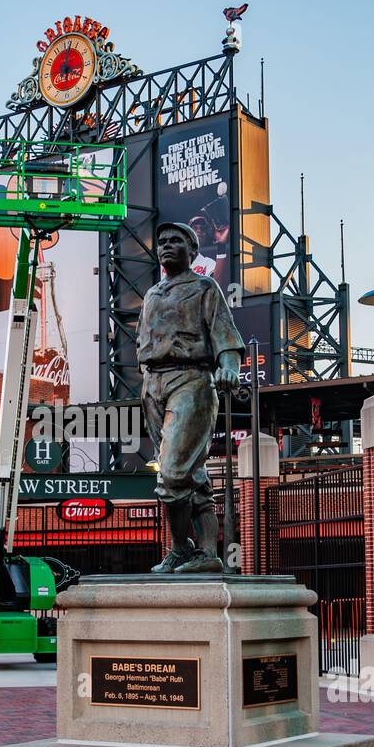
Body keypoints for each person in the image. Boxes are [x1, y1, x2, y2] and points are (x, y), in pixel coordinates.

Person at [139, 220, 244, 574]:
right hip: (153, 383)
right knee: (192, 477)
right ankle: (206, 553)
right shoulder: (153, 294)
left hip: (192, 379)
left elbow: (225, 336)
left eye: (176, 241)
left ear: (193, 251)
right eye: (162, 242)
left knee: (170, 474)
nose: (166, 246)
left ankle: (181, 548)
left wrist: (228, 366)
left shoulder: (205, 287)